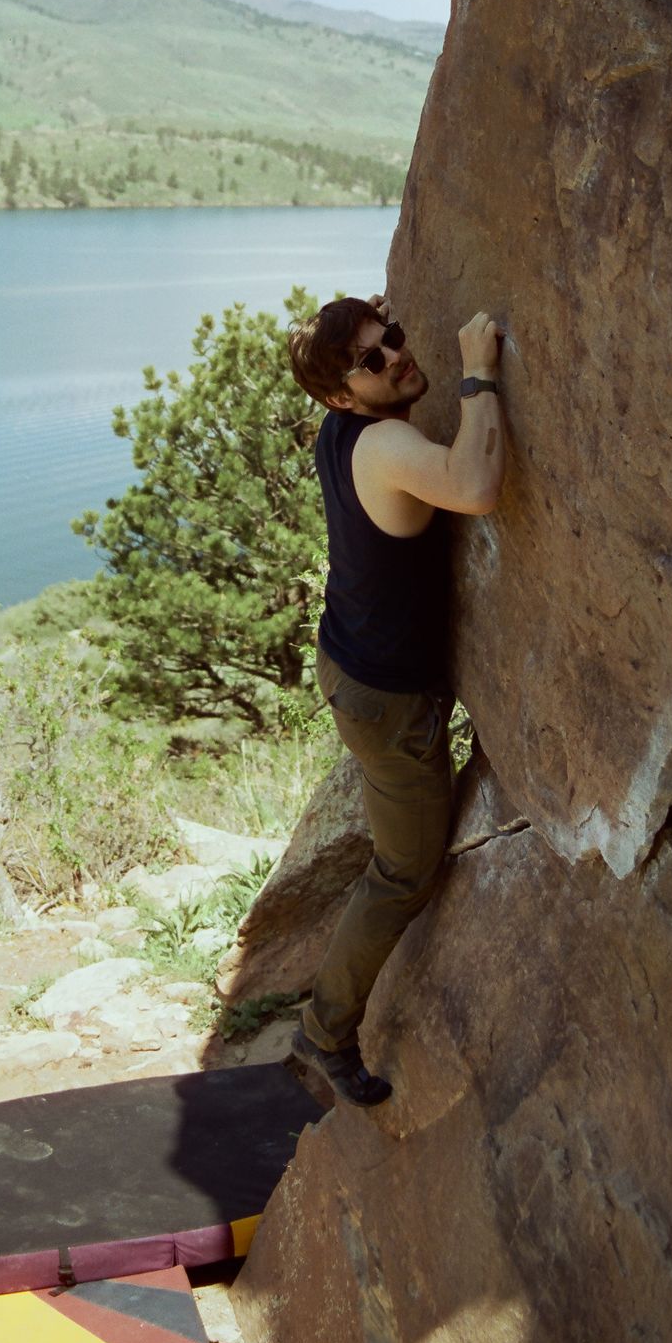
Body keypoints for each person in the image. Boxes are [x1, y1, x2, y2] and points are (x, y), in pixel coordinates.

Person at [285, 295, 504, 1104]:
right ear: (341, 397)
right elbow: (476, 485)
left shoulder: (344, 432)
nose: (397, 360)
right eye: (371, 362)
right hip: (384, 697)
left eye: (394, 341)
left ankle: (320, 1024)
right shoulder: (381, 443)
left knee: (399, 847)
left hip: (355, 665)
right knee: (404, 870)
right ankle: (323, 1032)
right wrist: (480, 376)